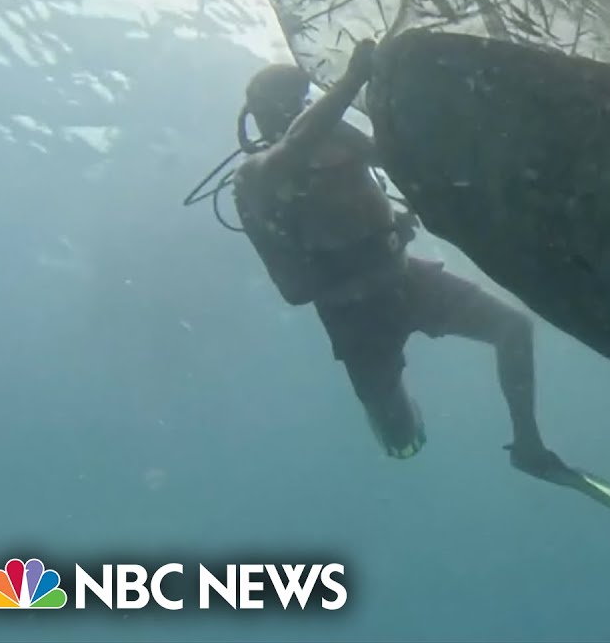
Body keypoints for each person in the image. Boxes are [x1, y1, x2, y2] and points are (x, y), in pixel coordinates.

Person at [230, 39, 562, 475]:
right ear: (263, 116)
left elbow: (393, 158)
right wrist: (351, 79)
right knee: (402, 441)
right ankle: (395, 421)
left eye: (300, 100)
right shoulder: (255, 175)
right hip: (353, 315)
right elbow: (294, 148)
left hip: (407, 279)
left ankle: (528, 444)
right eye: (285, 104)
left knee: (513, 328)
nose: (296, 110)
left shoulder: (332, 134)